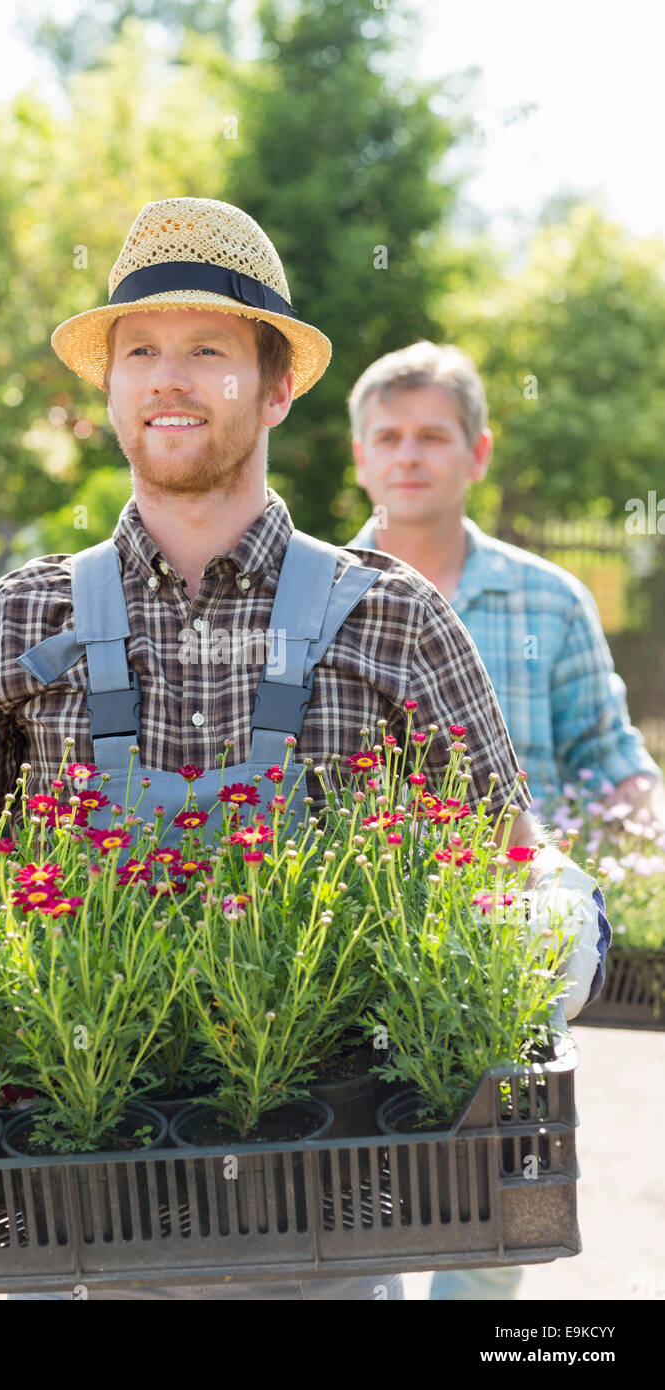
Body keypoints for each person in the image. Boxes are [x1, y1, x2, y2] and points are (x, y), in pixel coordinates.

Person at [0, 200, 610, 1301]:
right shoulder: (13, 619)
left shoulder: (395, 618)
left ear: (277, 388)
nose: (166, 379)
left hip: (324, 1218)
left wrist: (549, 921)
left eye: (207, 352)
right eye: (139, 351)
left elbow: (512, 863)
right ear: (109, 388)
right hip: (54, 1219)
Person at [345, 338, 662, 1301]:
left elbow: (611, 759)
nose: (409, 455)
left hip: (509, 945)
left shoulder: (549, 599)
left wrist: (646, 840)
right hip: (353, 938)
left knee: (499, 1205)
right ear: (359, 457)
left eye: (432, 436)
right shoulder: (316, 598)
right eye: (388, 437)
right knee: (352, 1194)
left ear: (477, 453)